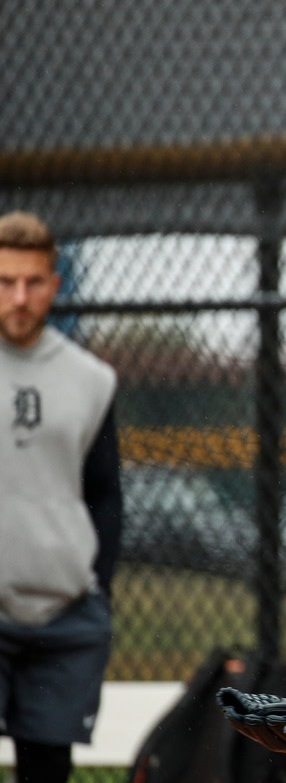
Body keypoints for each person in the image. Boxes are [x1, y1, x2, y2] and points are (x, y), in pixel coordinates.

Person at [0, 211, 123, 783]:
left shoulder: (91, 379)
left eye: (32, 282)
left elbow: (104, 495)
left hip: (63, 617)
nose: (19, 297)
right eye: (5, 281)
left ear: (54, 285)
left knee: (46, 769)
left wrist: (96, 585)